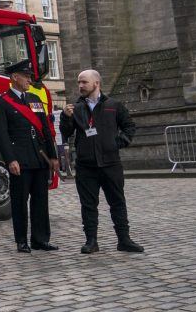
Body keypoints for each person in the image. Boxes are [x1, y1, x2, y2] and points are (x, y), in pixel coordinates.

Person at [60, 69, 143, 254]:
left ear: (96, 83)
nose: (80, 86)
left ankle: (124, 240)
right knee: (88, 205)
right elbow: (65, 133)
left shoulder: (114, 105)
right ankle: (91, 241)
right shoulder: (76, 108)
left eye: (84, 82)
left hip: (110, 163)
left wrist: (118, 143)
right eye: (79, 82)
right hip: (86, 165)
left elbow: (129, 126)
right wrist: (65, 118)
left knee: (117, 202)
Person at [0, 64, 59, 253]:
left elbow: (46, 130)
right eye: (26, 76)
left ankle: (40, 239)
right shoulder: (2, 102)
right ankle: (21, 240)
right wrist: (10, 159)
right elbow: (1, 135)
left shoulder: (35, 99)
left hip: (39, 157)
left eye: (30, 77)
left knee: (40, 201)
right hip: (20, 160)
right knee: (20, 202)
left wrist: (53, 156)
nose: (30, 80)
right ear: (14, 77)